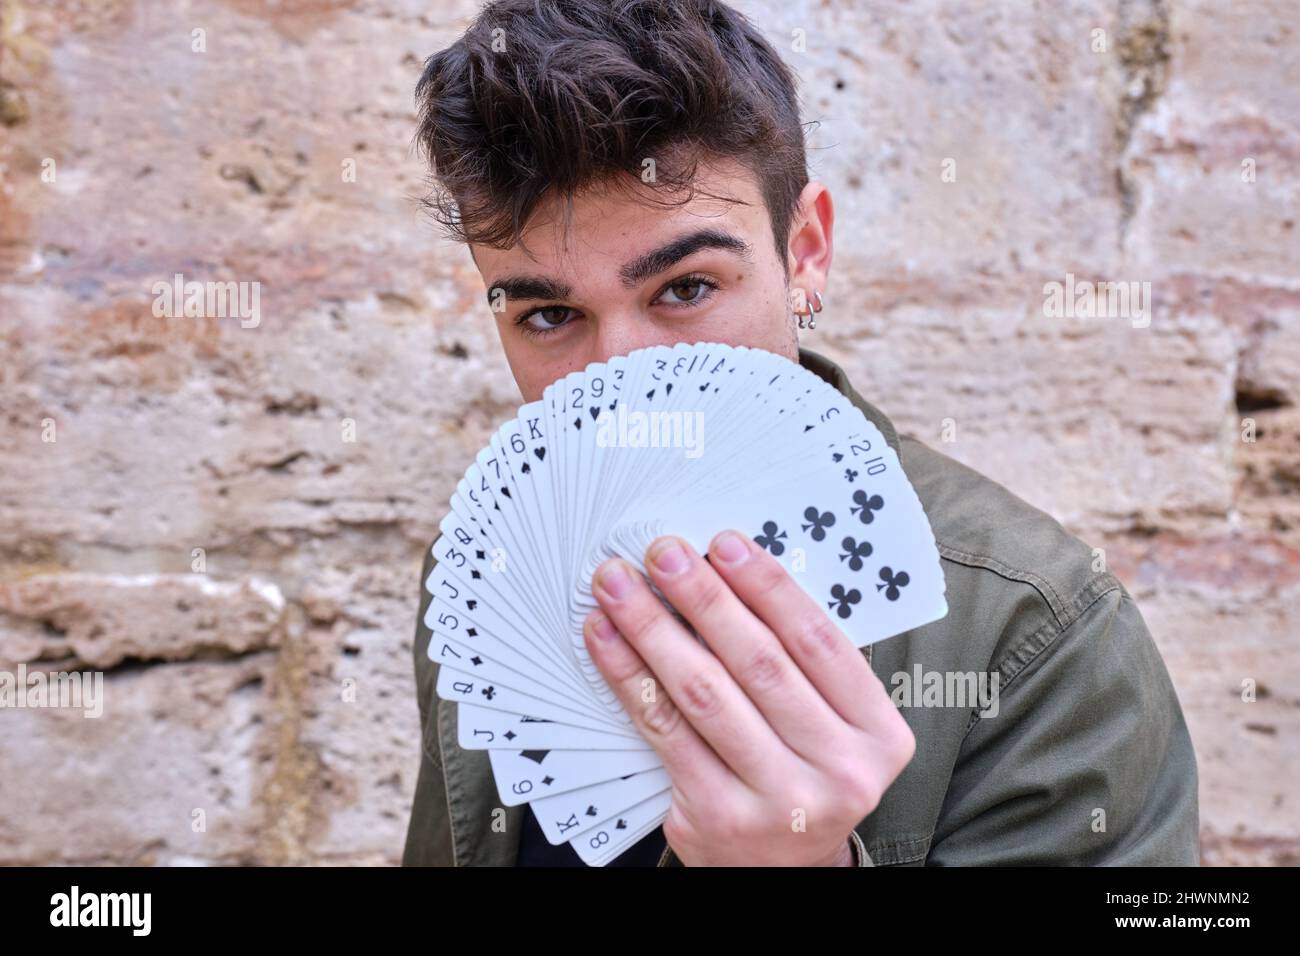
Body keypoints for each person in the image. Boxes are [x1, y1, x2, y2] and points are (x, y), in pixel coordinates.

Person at [401, 0, 1199, 866]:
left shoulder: (1039, 636)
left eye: (685, 288)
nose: (625, 387)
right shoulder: (488, 570)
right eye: (551, 314)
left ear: (804, 250)